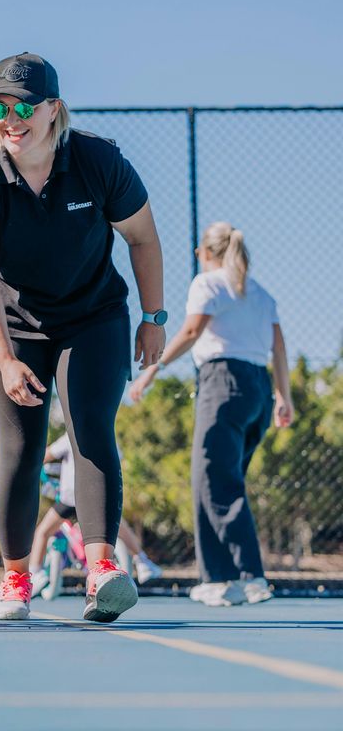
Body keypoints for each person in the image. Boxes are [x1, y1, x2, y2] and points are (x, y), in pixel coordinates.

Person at [0, 52, 166, 623]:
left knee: (92, 428)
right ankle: (15, 580)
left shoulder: (97, 161)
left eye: (24, 106)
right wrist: (5, 359)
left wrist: (154, 317)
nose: (10, 118)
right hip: (12, 324)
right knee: (20, 446)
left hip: (93, 316)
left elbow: (143, 238)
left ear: (53, 110)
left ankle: (102, 571)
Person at [130, 222, 292, 607]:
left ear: (206, 253)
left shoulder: (208, 283)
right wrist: (283, 396)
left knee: (212, 481)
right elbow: (279, 348)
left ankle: (245, 576)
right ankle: (224, 578)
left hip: (223, 383)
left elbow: (190, 332)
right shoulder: (260, 292)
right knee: (221, 481)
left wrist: (151, 371)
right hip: (257, 391)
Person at [28, 433, 163, 596]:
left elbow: (45, 456)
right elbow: (116, 460)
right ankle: (142, 561)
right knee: (119, 525)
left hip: (71, 497)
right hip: (96, 495)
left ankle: (35, 571)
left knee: (43, 532)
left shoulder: (70, 437)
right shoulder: (105, 435)